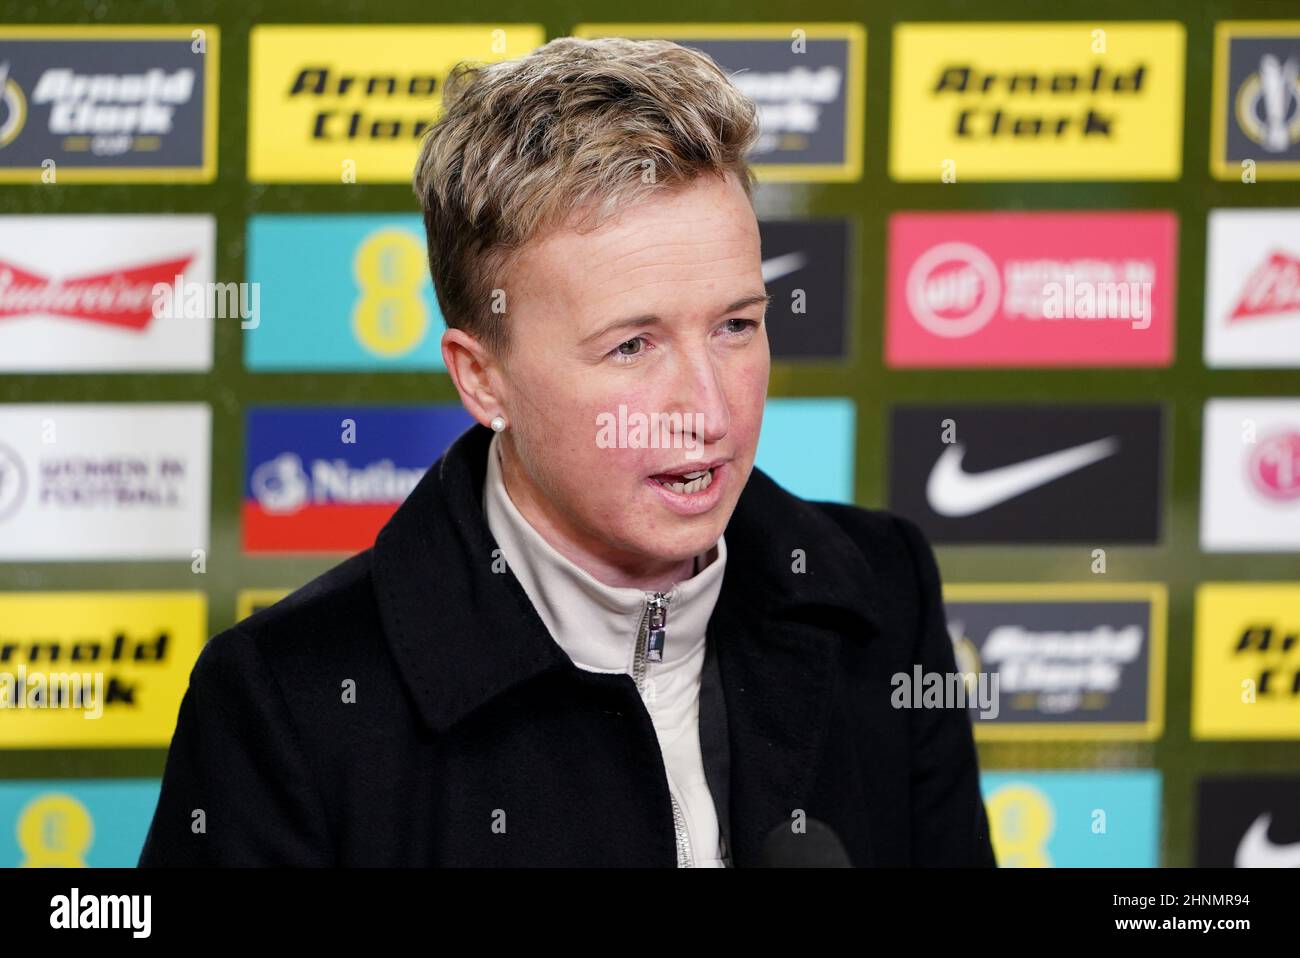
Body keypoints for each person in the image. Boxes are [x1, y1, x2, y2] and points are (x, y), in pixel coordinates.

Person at [138, 35, 996, 867]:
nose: (707, 408)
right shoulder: (284, 701)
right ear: (483, 380)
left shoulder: (881, 595)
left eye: (736, 325)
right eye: (632, 346)